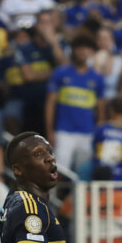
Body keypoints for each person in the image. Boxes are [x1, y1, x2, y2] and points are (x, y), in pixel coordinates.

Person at [44, 31, 105, 175]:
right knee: (57, 171)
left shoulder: (97, 78)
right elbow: (50, 104)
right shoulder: (60, 73)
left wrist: (98, 134)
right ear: (73, 50)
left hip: (88, 133)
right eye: (79, 47)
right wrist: (50, 131)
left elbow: (100, 110)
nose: (83, 51)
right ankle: (52, 198)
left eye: (87, 48)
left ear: (91, 51)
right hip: (64, 131)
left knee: (83, 173)